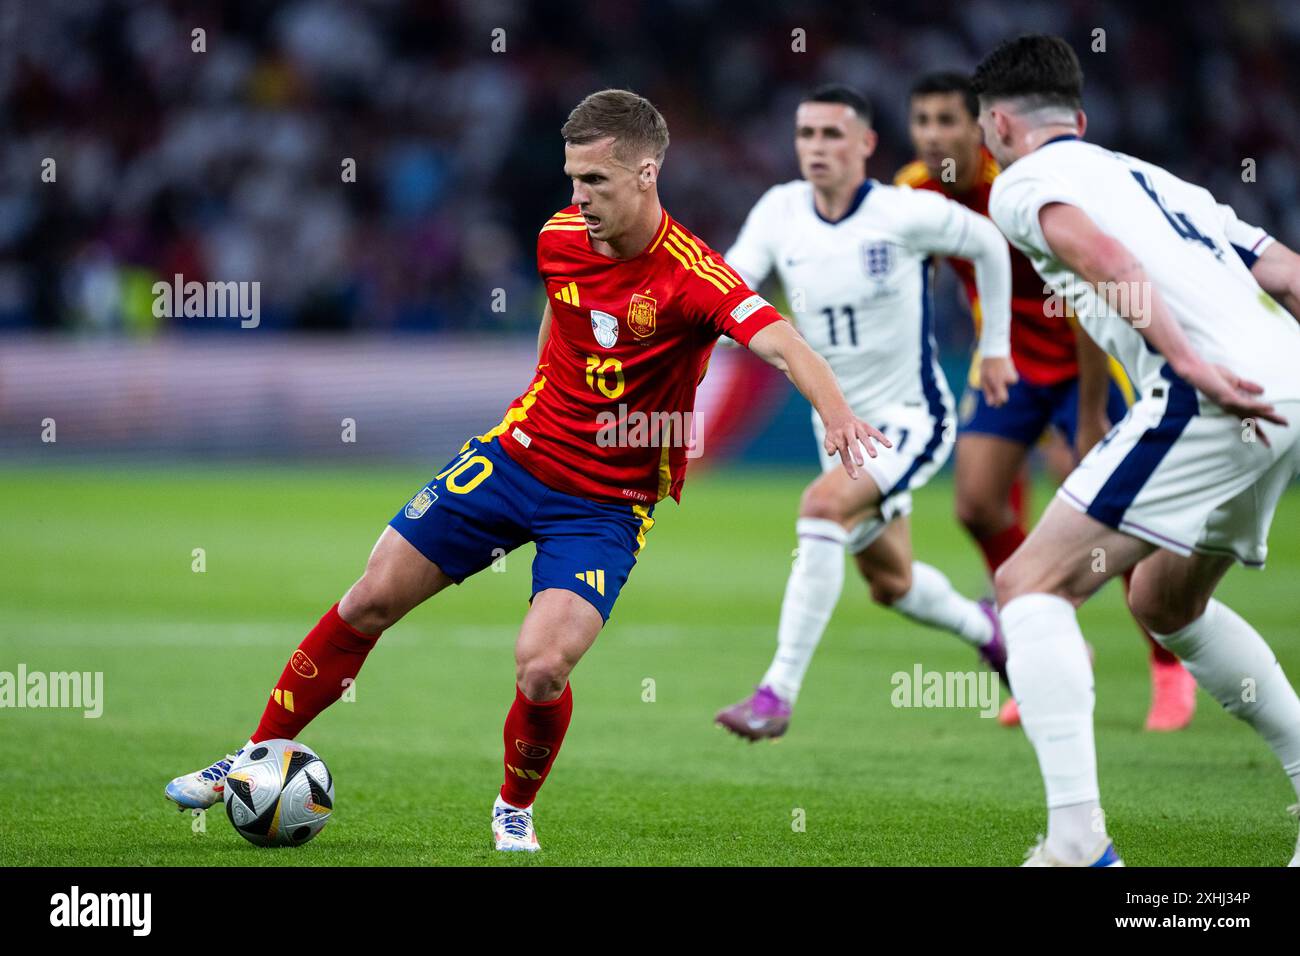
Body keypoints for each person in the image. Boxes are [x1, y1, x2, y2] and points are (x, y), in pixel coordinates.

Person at [164, 89, 888, 852]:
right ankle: (245, 758)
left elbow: (784, 344)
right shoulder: (559, 237)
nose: (579, 197)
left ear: (646, 174)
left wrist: (838, 416)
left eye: (597, 182)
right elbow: (560, 315)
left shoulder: (695, 275)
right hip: (514, 459)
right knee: (371, 596)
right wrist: (541, 394)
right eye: (573, 178)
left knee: (543, 667)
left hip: (606, 504)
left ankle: (514, 808)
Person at [975, 34, 1300, 866]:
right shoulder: (1160, 180)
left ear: (1000, 125)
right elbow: (1290, 275)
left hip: (1211, 388)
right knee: (1163, 602)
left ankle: (1078, 843)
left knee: (1029, 586)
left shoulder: (1019, 183)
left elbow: (1103, 258)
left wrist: (1192, 366)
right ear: (1078, 118)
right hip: (1285, 380)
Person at [897, 71, 1196, 731]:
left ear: (980, 129)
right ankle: (1046, 640)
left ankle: (1167, 667)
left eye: (949, 121)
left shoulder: (1019, 190)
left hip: (1083, 357)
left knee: (1112, 519)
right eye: (922, 121)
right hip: (1008, 365)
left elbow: (1087, 298)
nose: (933, 135)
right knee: (976, 503)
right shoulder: (913, 190)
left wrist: (1088, 415)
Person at [714, 85, 1015, 741]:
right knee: (892, 583)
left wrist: (994, 349)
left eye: (831, 134)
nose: (816, 148)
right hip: (835, 424)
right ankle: (989, 629)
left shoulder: (905, 213)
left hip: (908, 416)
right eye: (806, 134)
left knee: (821, 509)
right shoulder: (779, 210)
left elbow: (990, 243)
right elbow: (728, 291)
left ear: (866, 145)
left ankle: (776, 694)